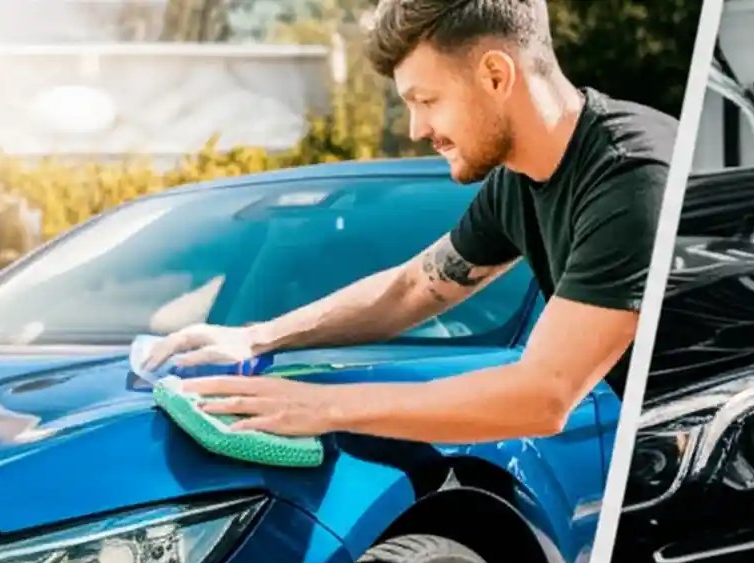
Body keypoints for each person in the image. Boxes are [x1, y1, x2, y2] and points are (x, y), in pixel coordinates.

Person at [142, 0, 675, 445]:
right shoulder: (518, 181)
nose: (419, 128)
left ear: (495, 75)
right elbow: (414, 287)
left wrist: (324, 406)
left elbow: (544, 395)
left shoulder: (631, 177)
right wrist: (256, 340)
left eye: (427, 100)